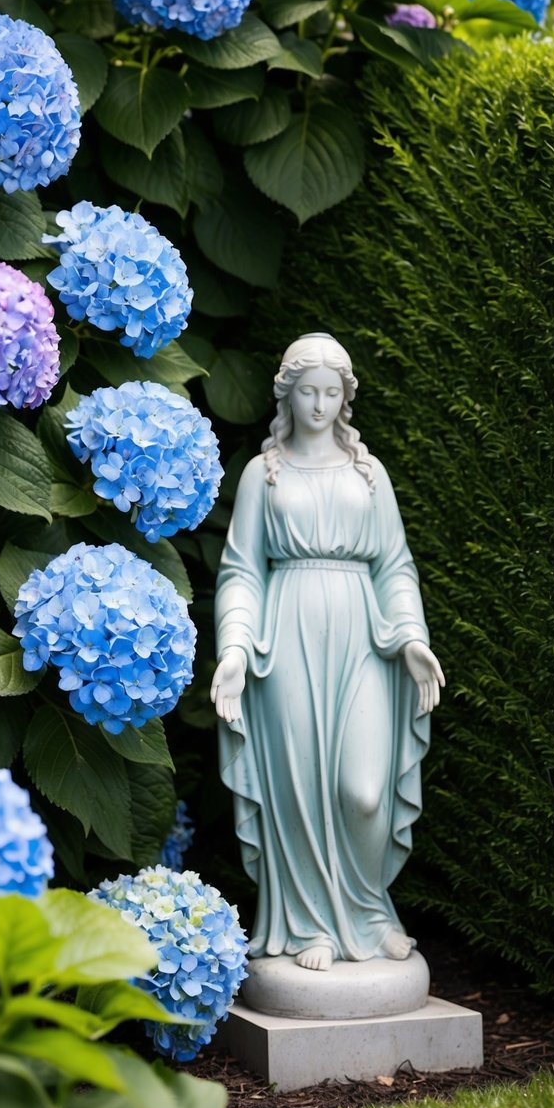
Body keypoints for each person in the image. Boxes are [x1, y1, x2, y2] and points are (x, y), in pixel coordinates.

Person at [210, 333, 445, 972]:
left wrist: (412, 638)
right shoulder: (265, 473)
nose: (319, 404)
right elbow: (241, 571)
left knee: (364, 790)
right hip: (285, 635)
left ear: (345, 398)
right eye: (308, 391)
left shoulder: (369, 474)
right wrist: (234, 648)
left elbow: (395, 566)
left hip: (362, 636)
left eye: (331, 392)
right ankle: (310, 923)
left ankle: (369, 913)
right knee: (300, 782)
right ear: (288, 394)